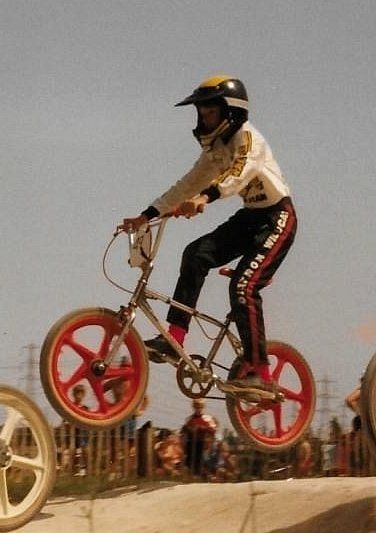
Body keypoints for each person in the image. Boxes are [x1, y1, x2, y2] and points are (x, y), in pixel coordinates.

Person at [119, 75, 297, 401]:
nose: (204, 119)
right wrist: (146, 215)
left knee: (243, 287)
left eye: (210, 113)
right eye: (201, 114)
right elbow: (188, 184)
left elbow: (240, 172)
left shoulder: (248, 138)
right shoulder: (215, 150)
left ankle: (261, 374)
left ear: (231, 111)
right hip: (250, 218)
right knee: (195, 254)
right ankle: (174, 339)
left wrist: (205, 198)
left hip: (277, 219)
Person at [181, 398, 218, 477]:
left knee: (201, 460)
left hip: (203, 443)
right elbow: (185, 430)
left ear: (203, 407)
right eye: (196, 406)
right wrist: (188, 429)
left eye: (200, 406)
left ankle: (202, 474)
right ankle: (192, 475)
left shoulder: (208, 418)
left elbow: (213, 430)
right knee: (190, 460)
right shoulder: (189, 419)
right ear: (193, 407)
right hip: (191, 442)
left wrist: (202, 428)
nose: (198, 408)